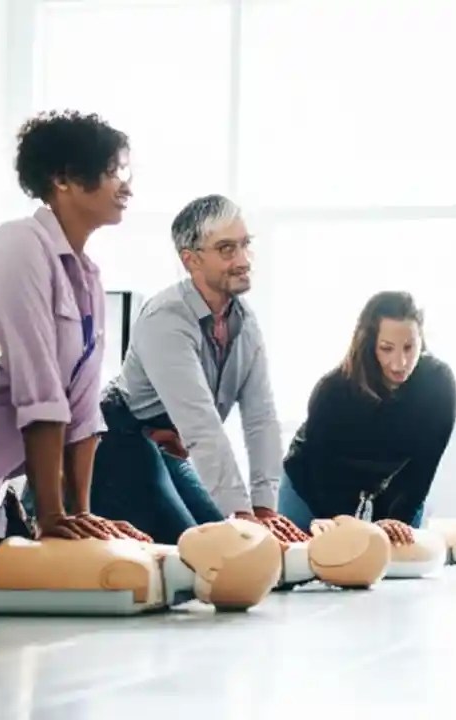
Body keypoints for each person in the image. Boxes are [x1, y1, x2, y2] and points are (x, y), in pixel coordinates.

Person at [0, 110, 150, 609]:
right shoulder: (18, 247)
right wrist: (52, 515)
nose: (124, 186)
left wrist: (78, 516)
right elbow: (38, 395)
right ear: (63, 179)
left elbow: (82, 409)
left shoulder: (86, 274)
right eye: (111, 172)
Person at [89, 194, 306, 545]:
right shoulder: (167, 318)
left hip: (170, 446)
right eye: (226, 249)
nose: (243, 260)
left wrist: (264, 509)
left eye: (245, 245)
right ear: (190, 260)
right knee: (201, 548)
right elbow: (201, 426)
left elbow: (261, 418)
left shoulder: (245, 322)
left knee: (232, 540)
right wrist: (242, 515)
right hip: (121, 440)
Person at [279, 291, 456, 547]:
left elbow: (422, 469)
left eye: (409, 347)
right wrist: (346, 524)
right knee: (306, 561)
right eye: (387, 349)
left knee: (393, 559)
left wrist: (395, 519)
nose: (400, 363)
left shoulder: (439, 384)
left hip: (389, 484)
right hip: (311, 486)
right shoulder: (333, 390)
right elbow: (320, 469)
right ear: (369, 343)